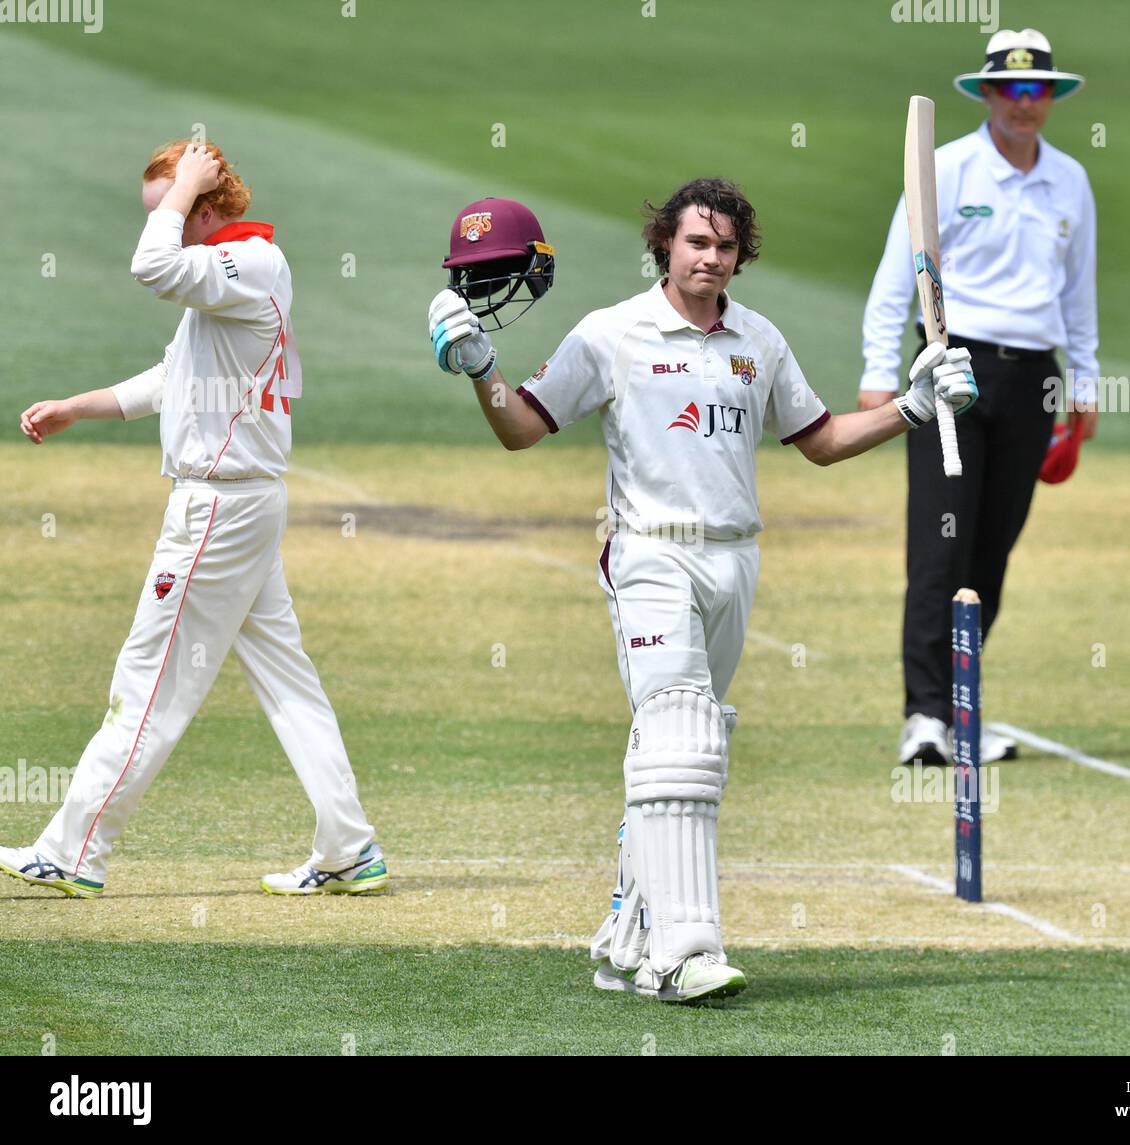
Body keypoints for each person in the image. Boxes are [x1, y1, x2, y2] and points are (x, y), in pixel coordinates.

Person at [428, 180, 977, 1003]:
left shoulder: (758, 340)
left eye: (724, 247)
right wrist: (482, 368)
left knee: (677, 751)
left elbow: (821, 439)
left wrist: (913, 405)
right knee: (679, 735)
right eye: (696, 243)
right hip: (650, 554)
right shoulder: (612, 333)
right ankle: (684, 951)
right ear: (665, 246)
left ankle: (626, 933)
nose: (710, 258)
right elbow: (520, 427)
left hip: (734, 559)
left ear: (738, 256)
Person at [1, 142, 387, 899]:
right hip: (240, 505)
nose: (162, 225)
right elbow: (175, 375)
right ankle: (350, 847)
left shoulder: (246, 264)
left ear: (206, 207)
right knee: (288, 679)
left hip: (218, 509)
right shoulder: (231, 272)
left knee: (148, 677)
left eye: (173, 210)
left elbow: (152, 270)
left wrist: (179, 193)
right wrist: (79, 407)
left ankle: (75, 849)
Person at [858, 28, 1098, 766]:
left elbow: (1078, 291)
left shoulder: (1070, 181)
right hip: (949, 368)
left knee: (992, 549)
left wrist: (1083, 383)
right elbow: (900, 276)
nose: (1025, 104)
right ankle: (923, 715)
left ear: (1049, 99)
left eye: (1038, 91)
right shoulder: (946, 169)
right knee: (941, 544)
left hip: (1033, 375)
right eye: (1012, 90)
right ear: (988, 94)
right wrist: (878, 372)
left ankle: (961, 709)